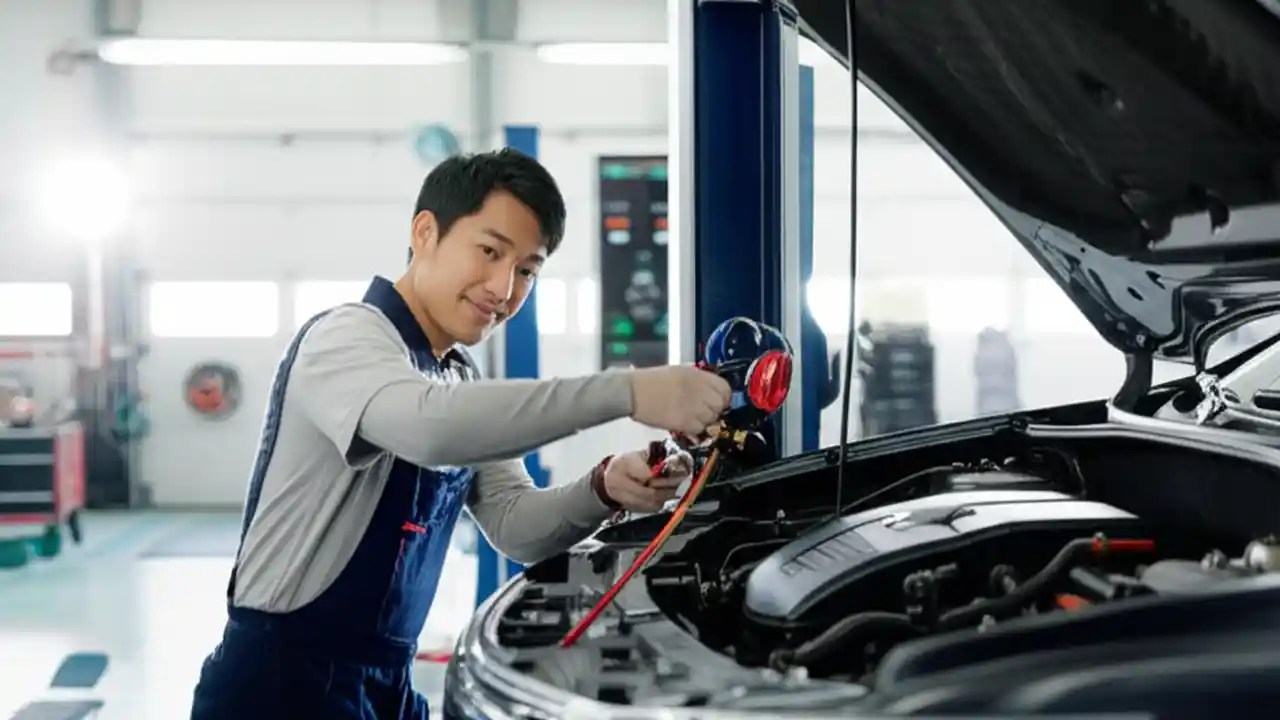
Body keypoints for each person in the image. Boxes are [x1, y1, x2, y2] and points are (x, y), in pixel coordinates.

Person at [188, 148, 731, 719]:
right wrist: (630, 392)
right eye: (490, 251)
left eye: (527, 269)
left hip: (383, 684)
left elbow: (515, 525)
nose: (503, 287)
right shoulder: (346, 339)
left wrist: (603, 488)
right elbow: (428, 428)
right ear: (425, 233)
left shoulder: (455, 375)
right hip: (280, 687)